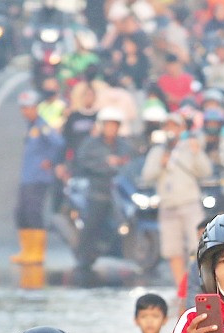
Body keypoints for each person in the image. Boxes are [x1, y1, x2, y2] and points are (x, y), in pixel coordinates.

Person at [142, 111, 213, 288]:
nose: (171, 130)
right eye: (168, 126)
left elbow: (205, 172)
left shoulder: (190, 148)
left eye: (175, 126)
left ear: (182, 129)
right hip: (168, 205)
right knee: (172, 249)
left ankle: (199, 285)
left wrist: (197, 153)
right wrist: (161, 164)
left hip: (189, 203)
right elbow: (146, 175)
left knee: (197, 246)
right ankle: (180, 288)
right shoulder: (157, 151)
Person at [72, 106, 134, 286]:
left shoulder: (124, 145)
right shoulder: (91, 144)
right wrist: (104, 164)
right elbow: (82, 161)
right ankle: (83, 257)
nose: (111, 129)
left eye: (114, 125)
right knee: (92, 224)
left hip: (120, 193)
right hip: (98, 191)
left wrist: (122, 163)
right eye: (108, 125)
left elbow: (133, 161)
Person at [13, 90, 64, 288]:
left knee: (34, 212)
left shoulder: (43, 127)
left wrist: (50, 161)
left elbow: (58, 143)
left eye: (29, 108)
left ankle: (36, 252)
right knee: (21, 212)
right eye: (23, 108)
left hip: (39, 178)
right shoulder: (31, 127)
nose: (26, 111)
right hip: (27, 177)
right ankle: (26, 250)